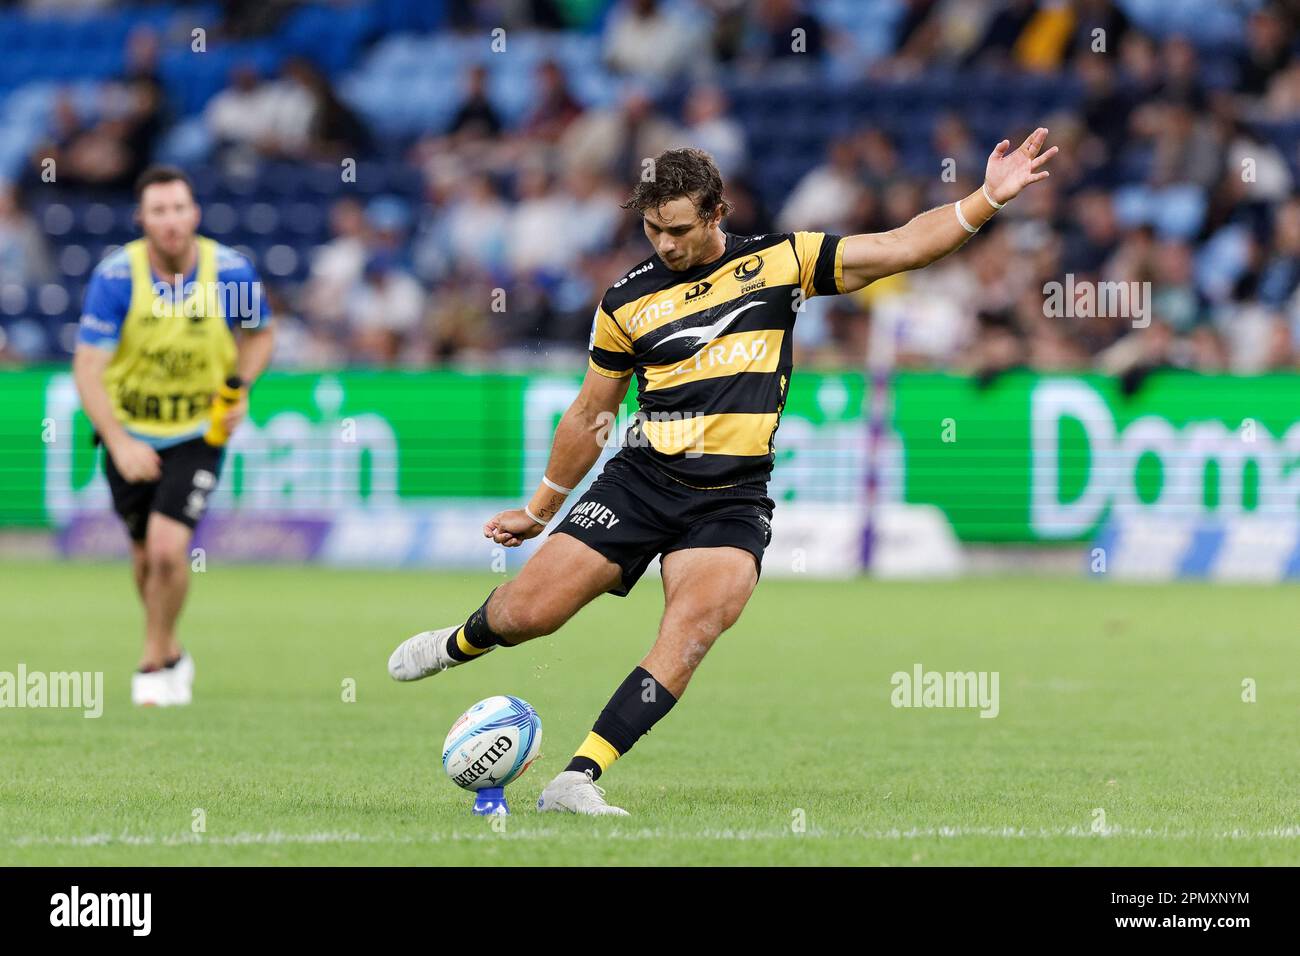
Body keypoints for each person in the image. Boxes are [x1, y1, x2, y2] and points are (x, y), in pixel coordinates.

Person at [389, 133, 1057, 814]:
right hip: (640, 482)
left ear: (716, 213)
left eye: (678, 229)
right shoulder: (625, 300)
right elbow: (591, 411)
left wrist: (986, 199)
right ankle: (457, 642)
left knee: (693, 630)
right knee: (529, 614)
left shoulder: (781, 262)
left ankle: (577, 777)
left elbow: (901, 245)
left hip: (731, 499)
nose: (666, 245)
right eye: (652, 229)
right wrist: (539, 508)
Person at [72, 166, 274, 706]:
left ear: (195, 214)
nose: (171, 220)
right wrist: (118, 441)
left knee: (167, 548)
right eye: (158, 210)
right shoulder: (117, 278)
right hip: (130, 431)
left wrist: (242, 387)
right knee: (144, 558)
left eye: (179, 208)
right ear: (141, 219)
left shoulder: (230, 272)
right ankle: (175, 650)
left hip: (197, 430)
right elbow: (88, 367)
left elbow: (260, 334)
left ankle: (152, 656)